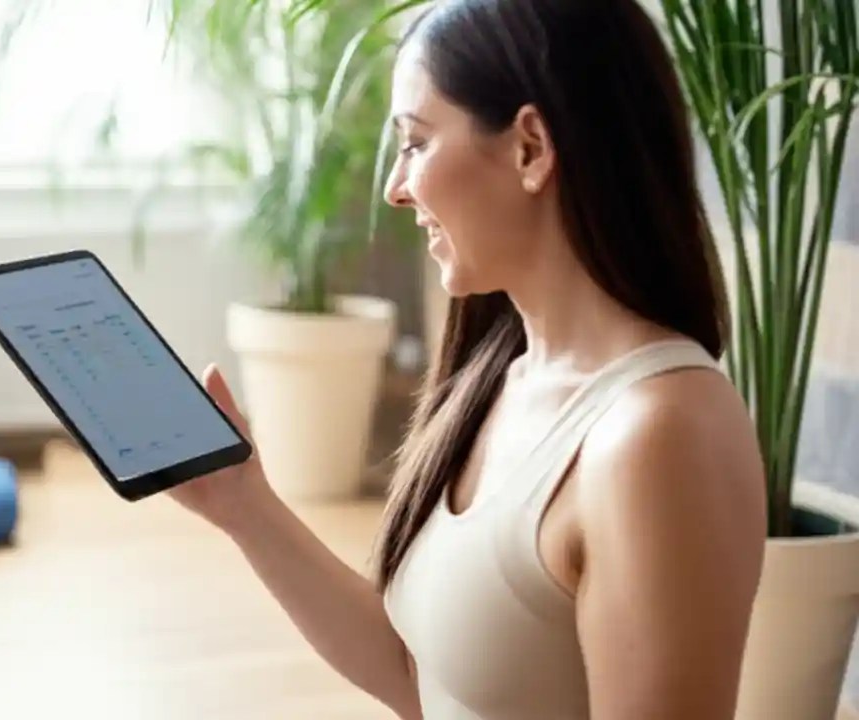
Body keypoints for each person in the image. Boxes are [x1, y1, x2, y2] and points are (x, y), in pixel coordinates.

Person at [167, 0, 768, 718]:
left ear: (530, 149)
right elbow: (416, 676)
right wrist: (242, 504)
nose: (395, 187)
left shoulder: (657, 437)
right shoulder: (502, 376)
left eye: (416, 143)